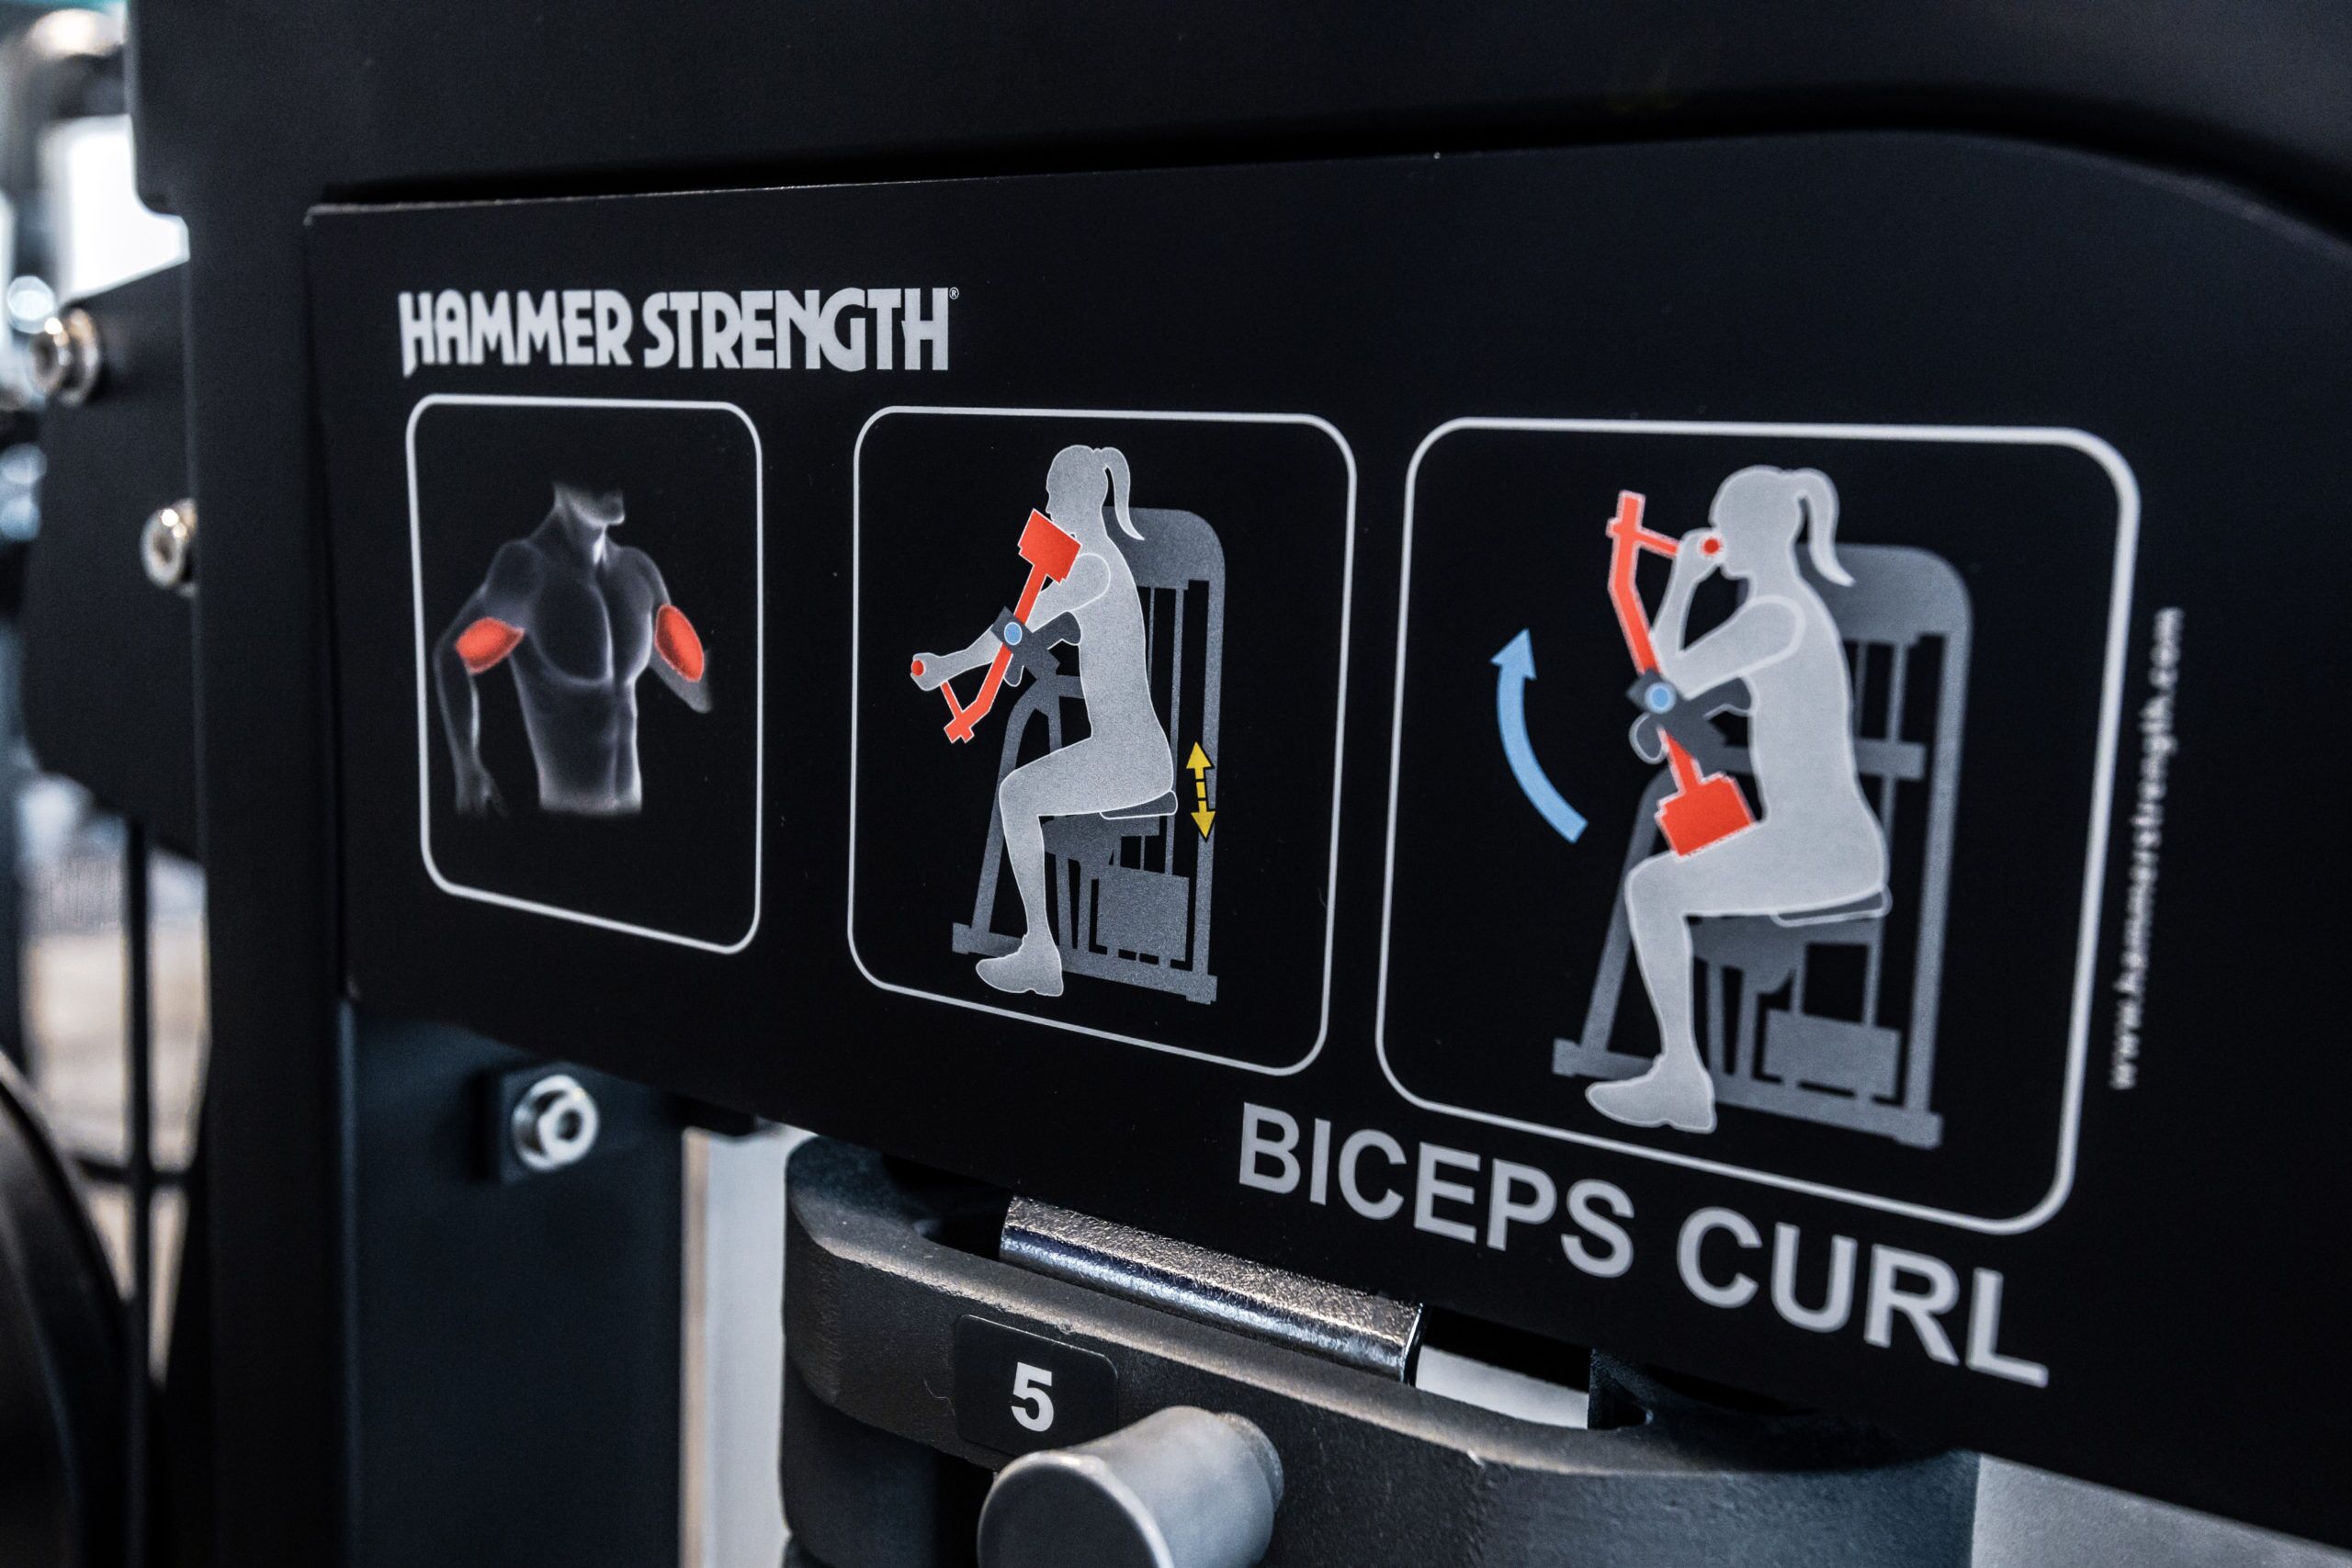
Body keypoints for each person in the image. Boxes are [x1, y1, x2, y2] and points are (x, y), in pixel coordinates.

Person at [1588, 467, 1886, 1134]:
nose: (1716, 536)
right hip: (1814, 838)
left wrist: (1684, 581)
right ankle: (1679, 1072)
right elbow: (1724, 690)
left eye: (1724, 525)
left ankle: (1682, 1079)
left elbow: (1667, 674)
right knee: (1669, 874)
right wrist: (1679, 710)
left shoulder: (1775, 616)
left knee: (1653, 889)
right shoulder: (1788, 612)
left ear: (1752, 533)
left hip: (1823, 850)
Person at [910, 446, 1173, 997]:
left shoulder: (1093, 567)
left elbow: (1020, 623)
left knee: (1017, 795)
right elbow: (1040, 631)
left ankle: (1040, 953)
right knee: (1019, 791)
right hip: (1126, 750)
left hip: (1133, 759)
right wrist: (1011, 656)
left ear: (1077, 499)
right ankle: (1038, 948)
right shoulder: (1093, 564)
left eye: (1053, 496)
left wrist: (950, 666)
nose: (1047, 508)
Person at [433, 479, 710, 818]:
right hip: (566, 830)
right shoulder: (527, 570)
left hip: (635, 821)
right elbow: (452, 654)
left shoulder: (638, 571)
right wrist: (466, 766)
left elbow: (696, 690)